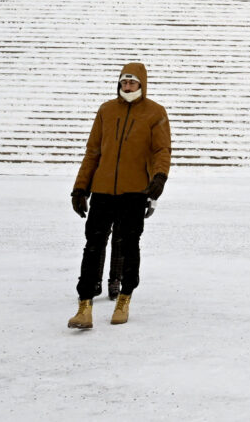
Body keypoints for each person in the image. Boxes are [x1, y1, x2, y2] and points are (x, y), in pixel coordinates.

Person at [68, 62, 171, 329]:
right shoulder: (106, 110)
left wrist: (159, 177)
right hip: (103, 190)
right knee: (93, 245)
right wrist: (80, 188)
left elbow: (161, 150)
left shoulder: (155, 112)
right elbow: (93, 152)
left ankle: (124, 299)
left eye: (132, 81)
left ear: (141, 84)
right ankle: (84, 306)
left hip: (134, 191)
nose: (127, 86)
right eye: (124, 81)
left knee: (128, 245)